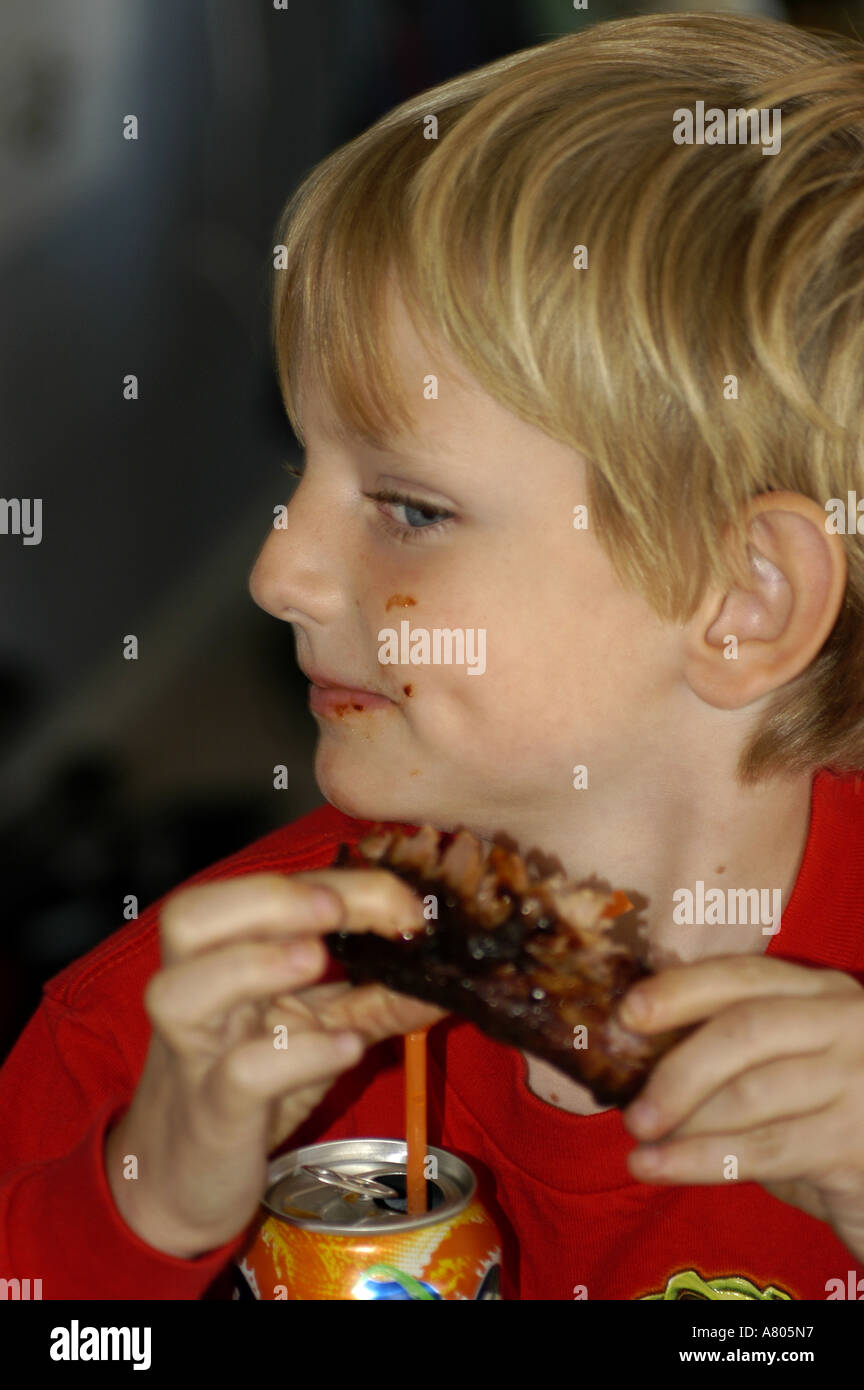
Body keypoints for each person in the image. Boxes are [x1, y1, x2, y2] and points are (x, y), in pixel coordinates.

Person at [2, 11, 864, 1302]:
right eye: (303, 470)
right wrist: (152, 1203)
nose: (278, 572)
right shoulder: (154, 1043)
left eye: (410, 507)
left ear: (744, 599)